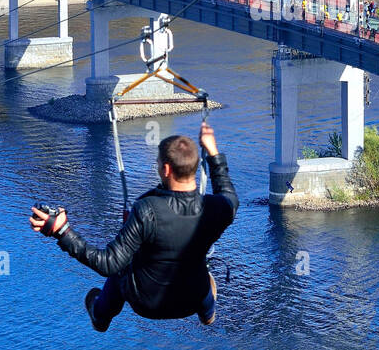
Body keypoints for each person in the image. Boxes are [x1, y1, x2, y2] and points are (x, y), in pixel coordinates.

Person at [29, 120, 237, 331]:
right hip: (191, 301)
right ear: (194, 167)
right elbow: (229, 195)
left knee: (122, 266)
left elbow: (106, 264)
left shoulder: (146, 210)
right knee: (201, 268)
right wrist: (213, 152)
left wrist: (62, 231)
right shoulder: (217, 208)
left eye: (157, 164)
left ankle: (100, 316)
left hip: (147, 304)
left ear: (165, 169)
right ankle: (208, 313)